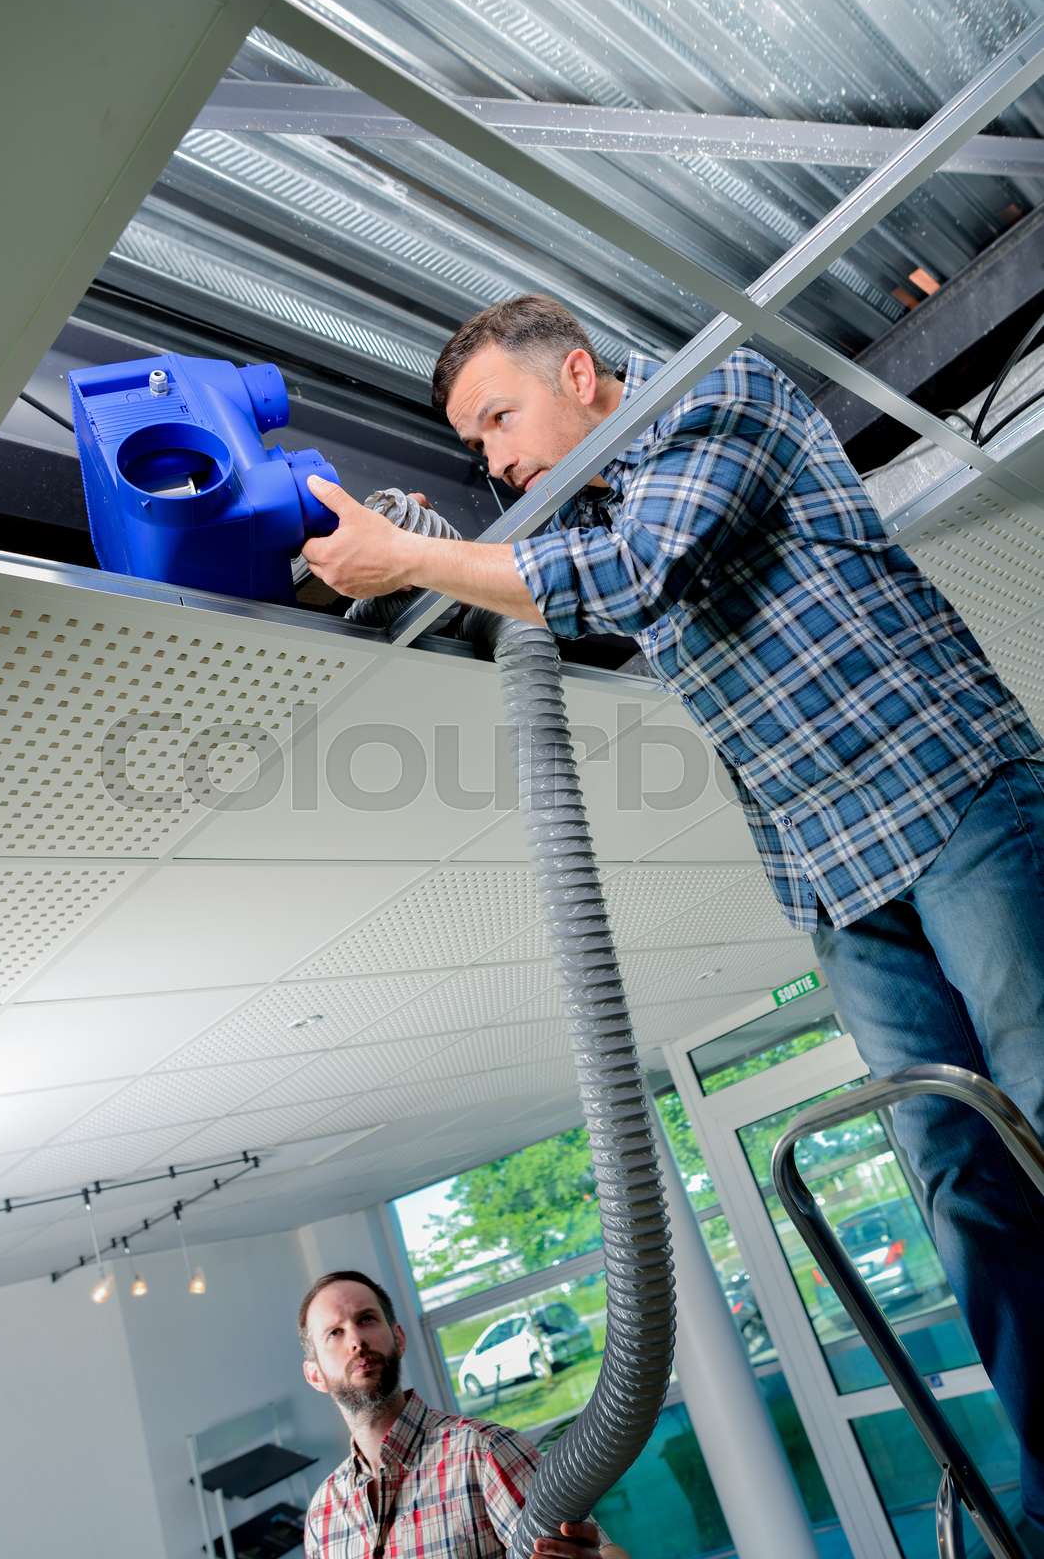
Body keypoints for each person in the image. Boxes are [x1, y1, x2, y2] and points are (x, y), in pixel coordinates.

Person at [301, 295, 1044, 1528]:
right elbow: (560, 591)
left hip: (954, 795)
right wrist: (412, 551)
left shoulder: (717, 397)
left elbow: (634, 571)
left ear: (581, 373)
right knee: (960, 1181)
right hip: (832, 877)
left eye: (499, 418)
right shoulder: (580, 520)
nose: (494, 460)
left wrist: (418, 555)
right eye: (475, 449)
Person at [299, 1269, 628, 1559]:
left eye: (366, 1319)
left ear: (398, 1339)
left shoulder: (483, 1452)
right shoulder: (322, 1514)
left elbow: (605, 1551)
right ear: (314, 1375)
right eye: (335, 1333)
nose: (356, 1339)